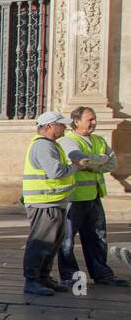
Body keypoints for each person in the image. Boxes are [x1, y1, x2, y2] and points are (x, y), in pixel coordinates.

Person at [22, 111, 90, 296]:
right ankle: (32, 280)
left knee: (52, 243)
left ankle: (44, 277)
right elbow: (55, 172)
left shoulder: (52, 145)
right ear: (49, 126)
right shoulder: (44, 146)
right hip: (44, 202)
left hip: (53, 201)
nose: (65, 128)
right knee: (41, 243)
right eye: (61, 125)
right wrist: (77, 166)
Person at [57, 107, 126, 287]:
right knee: (67, 240)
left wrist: (91, 164)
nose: (94, 122)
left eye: (94, 119)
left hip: (93, 196)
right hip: (73, 197)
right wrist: (99, 160)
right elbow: (79, 158)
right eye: (90, 119)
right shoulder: (67, 140)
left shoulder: (99, 140)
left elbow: (112, 163)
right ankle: (70, 276)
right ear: (76, 121)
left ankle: (102, 274)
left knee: (98, 237)